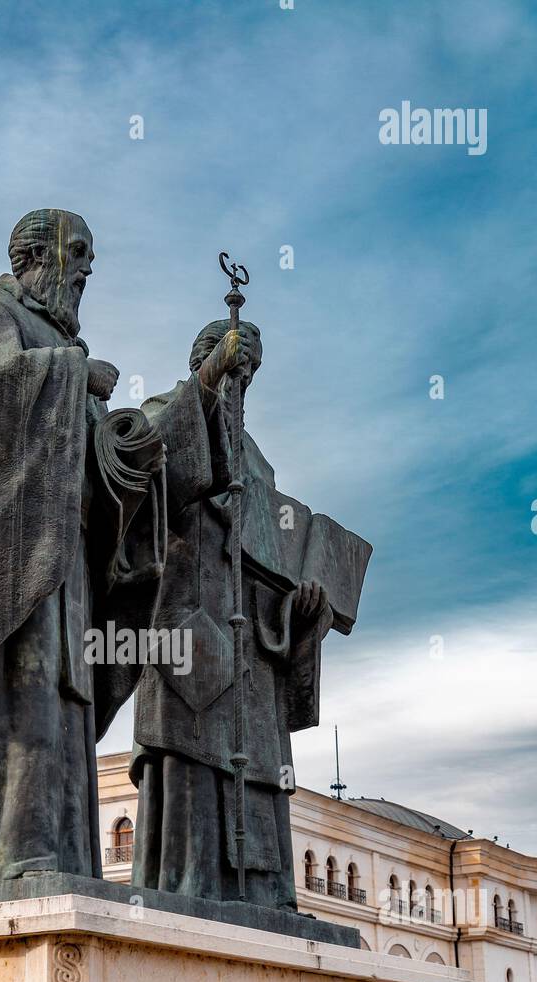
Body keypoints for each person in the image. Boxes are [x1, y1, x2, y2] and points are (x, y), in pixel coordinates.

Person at [0, 208, 165, 886]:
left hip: (66, 562)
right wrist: (73, 374)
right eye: (78, 252)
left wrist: (120, 446)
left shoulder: (55, 336)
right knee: (16, 700)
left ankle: (60, 852)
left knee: (64, 703)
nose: (87, 268)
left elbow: (86, 462)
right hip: (8, 559)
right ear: (33, 255)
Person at [131, 321, 333, 907]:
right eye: (234, 367)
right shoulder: (164, 416)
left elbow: (268, 573)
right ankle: (187, 891)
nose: (242, 382)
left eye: (250, 374)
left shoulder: (259, 468)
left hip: (253, 664)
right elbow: (138, 476)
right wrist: (205, 382)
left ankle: (263, 904)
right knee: (192, 766)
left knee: (259, 775)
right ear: (208, 361)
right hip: (185, 637)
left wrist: (297, 616)